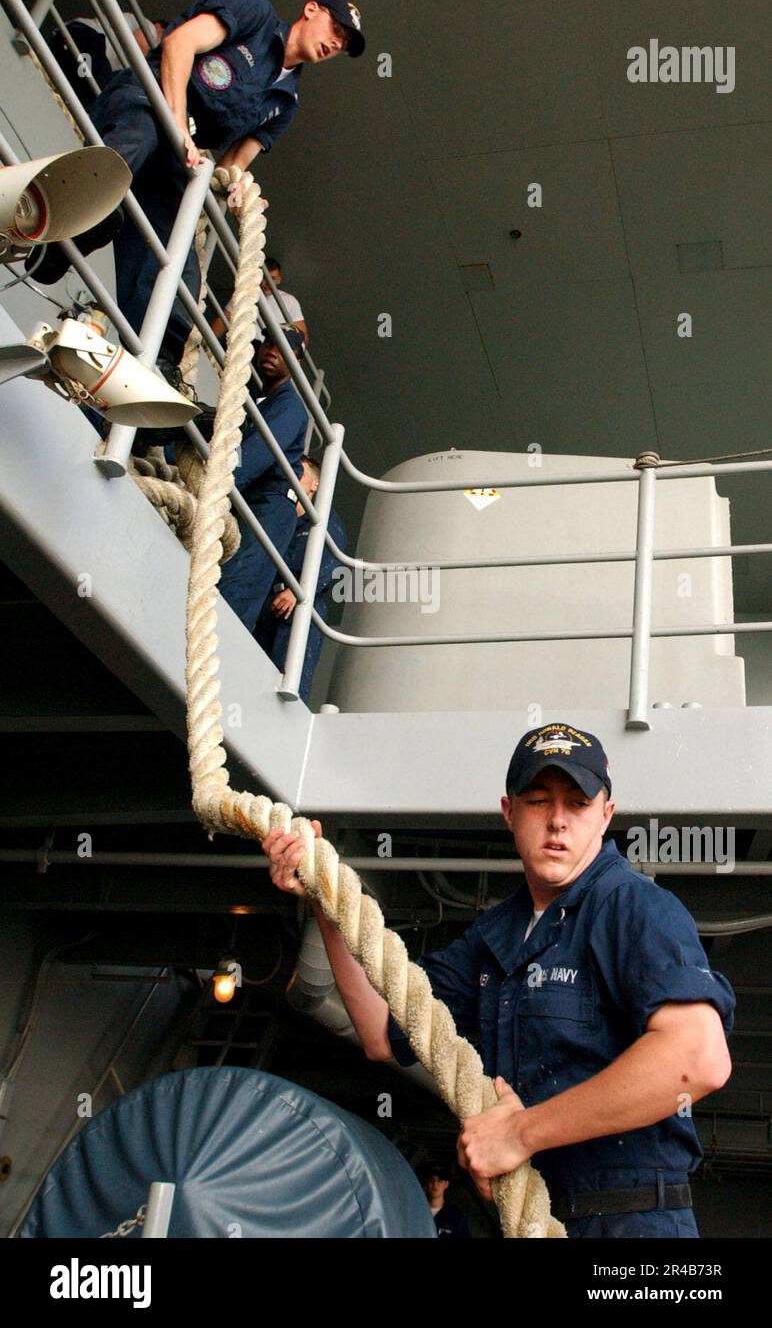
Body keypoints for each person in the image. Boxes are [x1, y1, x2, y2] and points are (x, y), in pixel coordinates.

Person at [262, 723, 735, 1239]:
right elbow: (380, 1030)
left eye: (578, 803)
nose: (557, 821)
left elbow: (698, 1059)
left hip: (631, 1221)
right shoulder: (496, 935)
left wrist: (521, 1133)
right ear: (509, 812)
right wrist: (326, 901)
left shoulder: (633, 907)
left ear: (607, 815)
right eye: (537, 800)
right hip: (528, 1215)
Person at [32, 0, 364, 382]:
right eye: (336, 28)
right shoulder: (255, 14)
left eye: (343, 43)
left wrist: (236, 186)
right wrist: (177, 121)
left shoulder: (286, 103)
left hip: (178, 157)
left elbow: (235, 162)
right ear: (311, 10)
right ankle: (58, 235)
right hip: (148, 99)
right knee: (130, 152)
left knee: (177, 265)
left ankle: (158, 369)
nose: (336, 43)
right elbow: (180, 43)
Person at [218, 326, 307, 631]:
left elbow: (255, 455)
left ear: (297, 362)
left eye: (284, 349)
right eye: (268, 343)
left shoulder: (291, 405)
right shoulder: (258, 400)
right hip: (247, 498)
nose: (271, 351)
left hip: (268, 505)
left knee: (234, 590)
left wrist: (214, 485)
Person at [254, 454, 346, 701]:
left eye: (300, 472)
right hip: (263, 598)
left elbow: (332, 562)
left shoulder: (323, 521)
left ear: (315, 484)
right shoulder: (274, 512)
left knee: (288, 670)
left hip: (299, 602)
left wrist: (298, 591)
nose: (291, 477)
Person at [47, 14, 167, 111]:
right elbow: (139, 43)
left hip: (73, 48)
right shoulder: (148, 26)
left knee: (99, 87)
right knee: (101, 89)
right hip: (83, 36)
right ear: (159, 26)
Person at [424, 1163, 471, 1239]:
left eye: (440, 1180)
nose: (435, 1184)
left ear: (446, 1184)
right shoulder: (416, 1211)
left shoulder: (456, 1217)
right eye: (432, 1180)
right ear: (426, 1182)